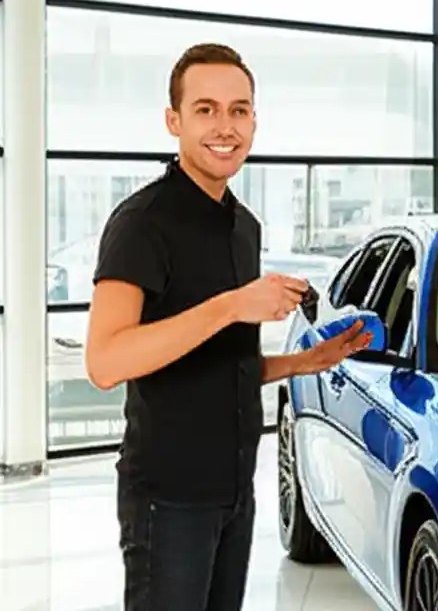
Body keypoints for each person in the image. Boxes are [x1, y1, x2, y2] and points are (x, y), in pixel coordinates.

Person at [84, 43, 372, 611]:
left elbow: (219, 366)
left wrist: (300, 365)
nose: (225, 126)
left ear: (254, 121)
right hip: (167, 498)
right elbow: (105, 362)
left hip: (235, 490)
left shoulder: (244, 226)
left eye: (239, 110)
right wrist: (231, 305)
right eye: (206, 109)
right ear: (175, 121)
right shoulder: (142, 224)